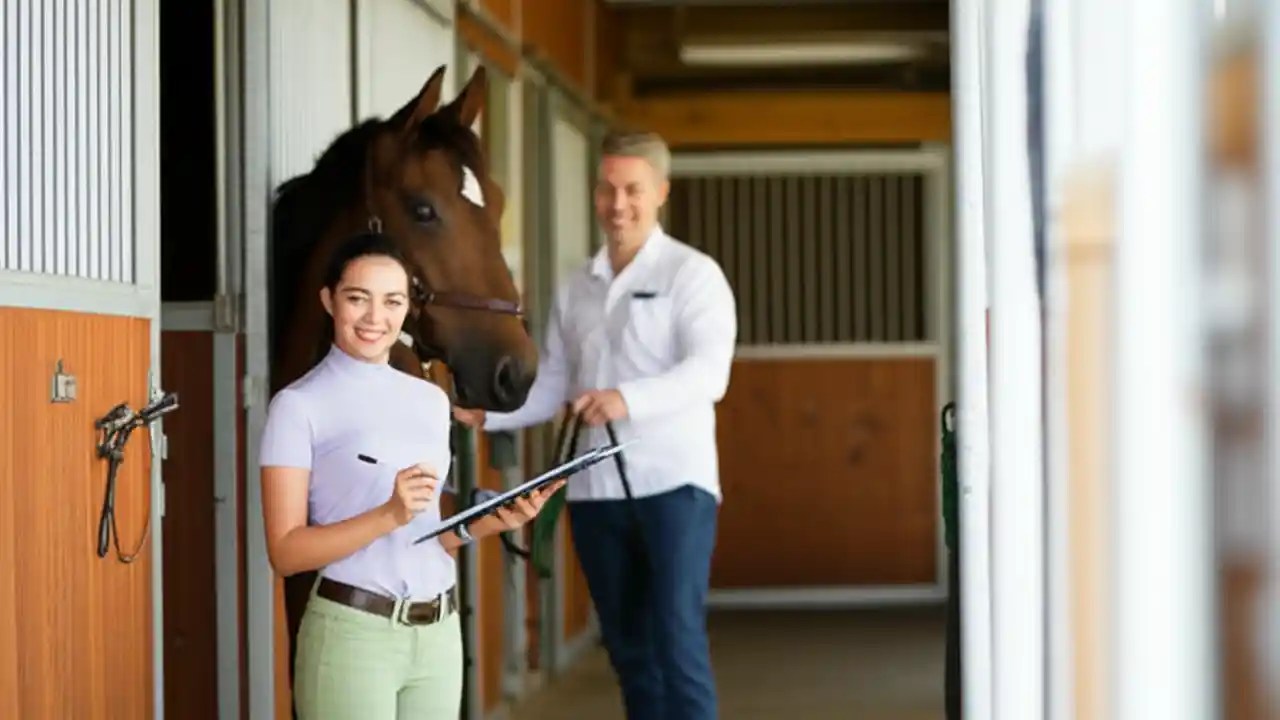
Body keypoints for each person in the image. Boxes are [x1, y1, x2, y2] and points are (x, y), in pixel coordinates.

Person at [454, 131, 738, 720]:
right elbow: (556, 383)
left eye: (633, 189)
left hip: (674, 487)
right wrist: (487, 414)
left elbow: (709, 375)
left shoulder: (695, 275)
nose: (618, 203)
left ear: (660, 192)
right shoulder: (574, 286)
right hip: (593, 491)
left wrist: (623, 398)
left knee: (677, 643)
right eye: (607, 188)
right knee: (629, 652)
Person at [258, 231, 564, 720]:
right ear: (328, 300)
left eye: (392, 301)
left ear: (407, 309)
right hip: (352, 635)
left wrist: (492, 521)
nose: (375, 318)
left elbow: (427, 535)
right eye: (358, 299)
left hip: (438, 632)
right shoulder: (297, 407)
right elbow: (286, 552)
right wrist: (388, 514)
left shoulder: (429, 400)